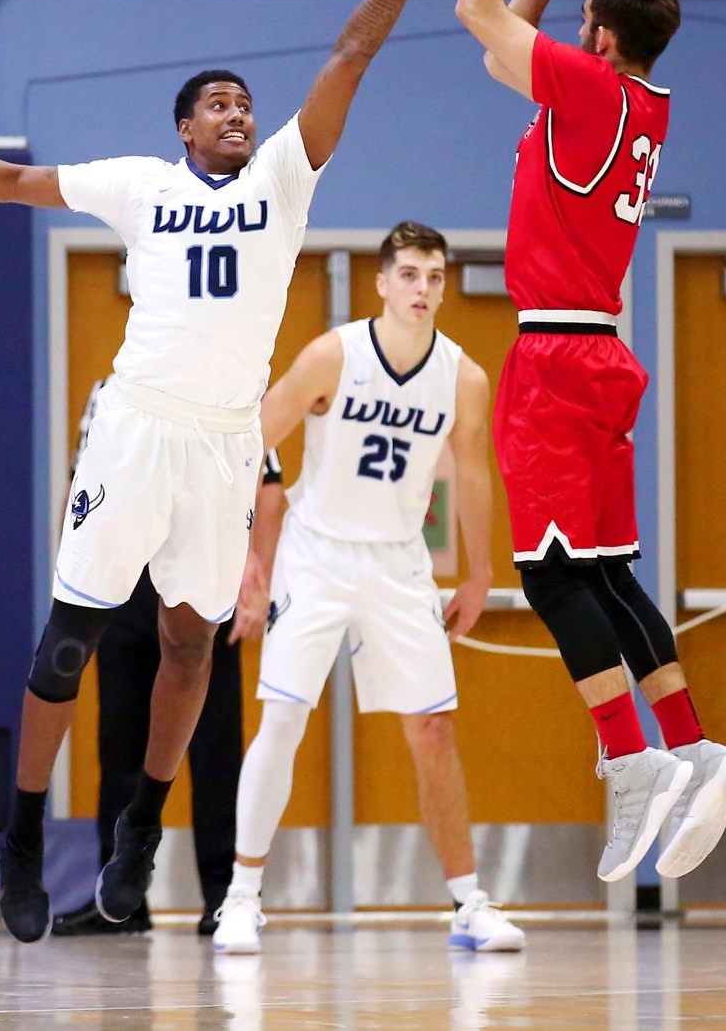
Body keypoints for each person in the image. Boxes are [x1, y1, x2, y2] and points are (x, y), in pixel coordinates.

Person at [0, 0, 451, 942]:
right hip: (136, 425)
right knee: (66, 646)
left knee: (192, 645)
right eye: (219, 106)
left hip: (224, 444)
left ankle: (143, 827)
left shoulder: (285, 177)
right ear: (185, 129)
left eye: (245, 104)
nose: (239, 114)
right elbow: (13, 184)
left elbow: (352, 51)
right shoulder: (144, 185)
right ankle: (27, 838)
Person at [453, 0, 726, 885]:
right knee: (605, 569)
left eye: (583, 22)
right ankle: (691, 738)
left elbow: (472, 16)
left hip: (554, 355)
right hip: (602, 353)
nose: (569, 30)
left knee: (545, 576)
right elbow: (506, 43)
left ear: (603, 44)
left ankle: (632, 763)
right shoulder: (637, 102)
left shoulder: (583, 91)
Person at [211, 221, 525, 955]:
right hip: (315, 554)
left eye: (435, 276)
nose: (423, 289)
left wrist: (480, 570)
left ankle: (468, 903)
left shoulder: (463, 376)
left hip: (398, 560)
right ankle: (241, 896)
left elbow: (474, 475)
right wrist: (246, 555)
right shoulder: (334, 354)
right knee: (283, 716)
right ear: (381, 282)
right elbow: (252, 437)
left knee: (434, 730)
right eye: (410, 274)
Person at [47, 381, 284, 938]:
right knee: (120, 745)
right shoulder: (110, 389)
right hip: (128, 586)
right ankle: (119, 902)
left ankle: (225, 897)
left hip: (205, 577)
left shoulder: (233, 379)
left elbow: (269, 488)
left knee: (215, 747)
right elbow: (83, 486)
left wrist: (258, 578)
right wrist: (74, 584)